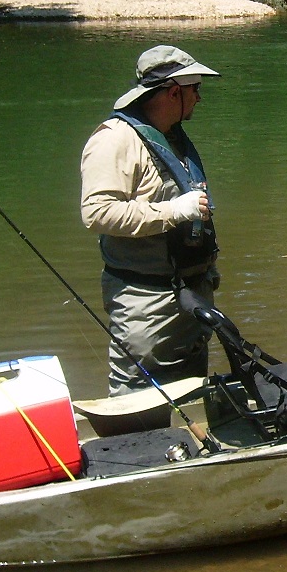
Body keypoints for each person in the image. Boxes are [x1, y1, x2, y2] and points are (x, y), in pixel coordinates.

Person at [81, 45, 223, 395]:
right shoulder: (115, 139)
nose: (199, 99)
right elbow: (96, 212)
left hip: (193, 295)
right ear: (174, 91)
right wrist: (173, 211)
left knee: (192, 393)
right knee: (137, 397)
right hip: (146, 302)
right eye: (195, 90)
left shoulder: (172, 135)